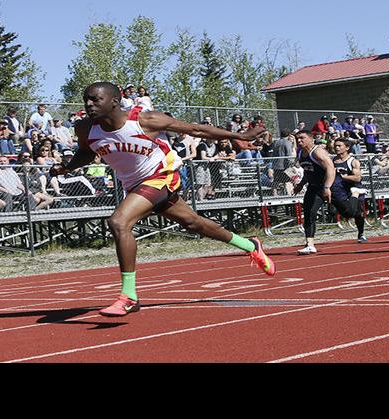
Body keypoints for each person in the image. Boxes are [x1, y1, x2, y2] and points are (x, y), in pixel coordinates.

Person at [49, 82, 275, 317]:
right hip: (134, 186)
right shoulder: (85, 128)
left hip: (161, 176)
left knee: (119, 222)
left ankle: (128, 296)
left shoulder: (145, 120)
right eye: (86, 99)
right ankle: (251, 245)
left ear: (115, 101)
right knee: (193, 223)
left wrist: (239, 135)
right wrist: (67, 167)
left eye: (96, 99)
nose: (89, 104)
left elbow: (196, 130)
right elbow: (87, 152)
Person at [291, 131, 366, 255]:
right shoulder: (300, 153)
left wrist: (327, 187)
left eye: (302, 138)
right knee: (310, 212)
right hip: (314, 187)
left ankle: (355, 193)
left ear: (310, 138)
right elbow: (308, 171)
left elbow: (330, 168)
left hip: (330, 186)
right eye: (297, 139)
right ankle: (310, 244)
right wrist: (301, 184)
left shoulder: (317, 151)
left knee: (349, 213)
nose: (299, 141)